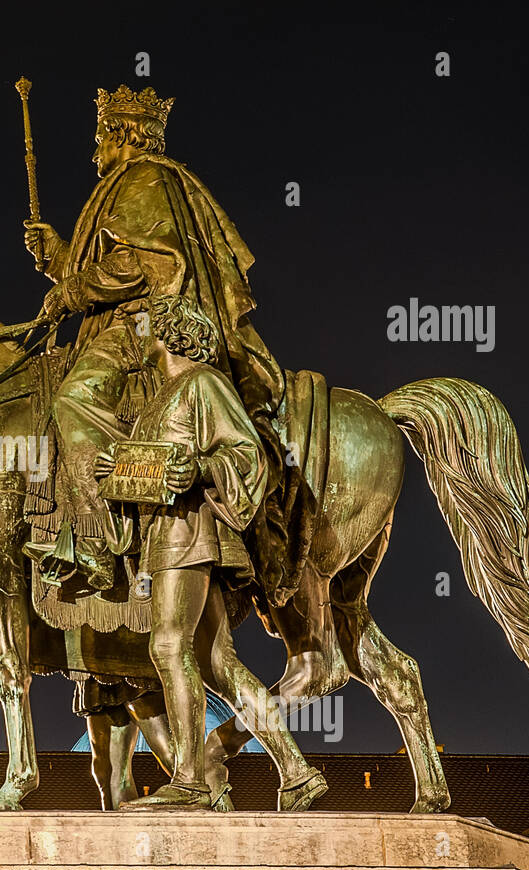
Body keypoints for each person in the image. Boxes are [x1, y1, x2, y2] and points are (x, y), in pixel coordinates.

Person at [23, 85, 314, 606]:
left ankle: (102, 536)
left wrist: (69, 290)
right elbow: (109, 260)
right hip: (123, 320)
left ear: (123, 134)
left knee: (72, 400)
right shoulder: (128, 184)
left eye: (100, 140)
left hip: (142, 327)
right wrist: (59, 258)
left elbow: (141, 265)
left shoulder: (145, 178)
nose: (95, 153)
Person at [95, 296, 325, 809]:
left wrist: (200, 469)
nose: (135, 330)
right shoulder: (162, 398)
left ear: (170, 330)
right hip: (164, 533)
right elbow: (150, 474)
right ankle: (296, 769)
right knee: (218, 661)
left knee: (167, 649)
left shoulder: (202, 383)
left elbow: (245, 454)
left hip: (187, 534)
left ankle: (190, 779)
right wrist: (115, 475)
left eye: (142, 321)